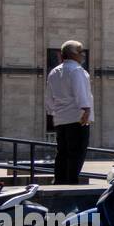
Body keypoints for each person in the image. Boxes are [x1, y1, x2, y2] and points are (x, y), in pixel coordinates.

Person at [44, 40, 93, 185]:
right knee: (76, 153)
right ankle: (71, 184)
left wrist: (54, 112)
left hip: (61, 119)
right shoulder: (77, 70)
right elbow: (80, 92)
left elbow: (49, 98)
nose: (83, 55)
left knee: (62, 153)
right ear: (72, 54)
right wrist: (86, 109)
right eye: (80, 51)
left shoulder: (54, 72)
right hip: (77, 118)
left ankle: (59, 182)